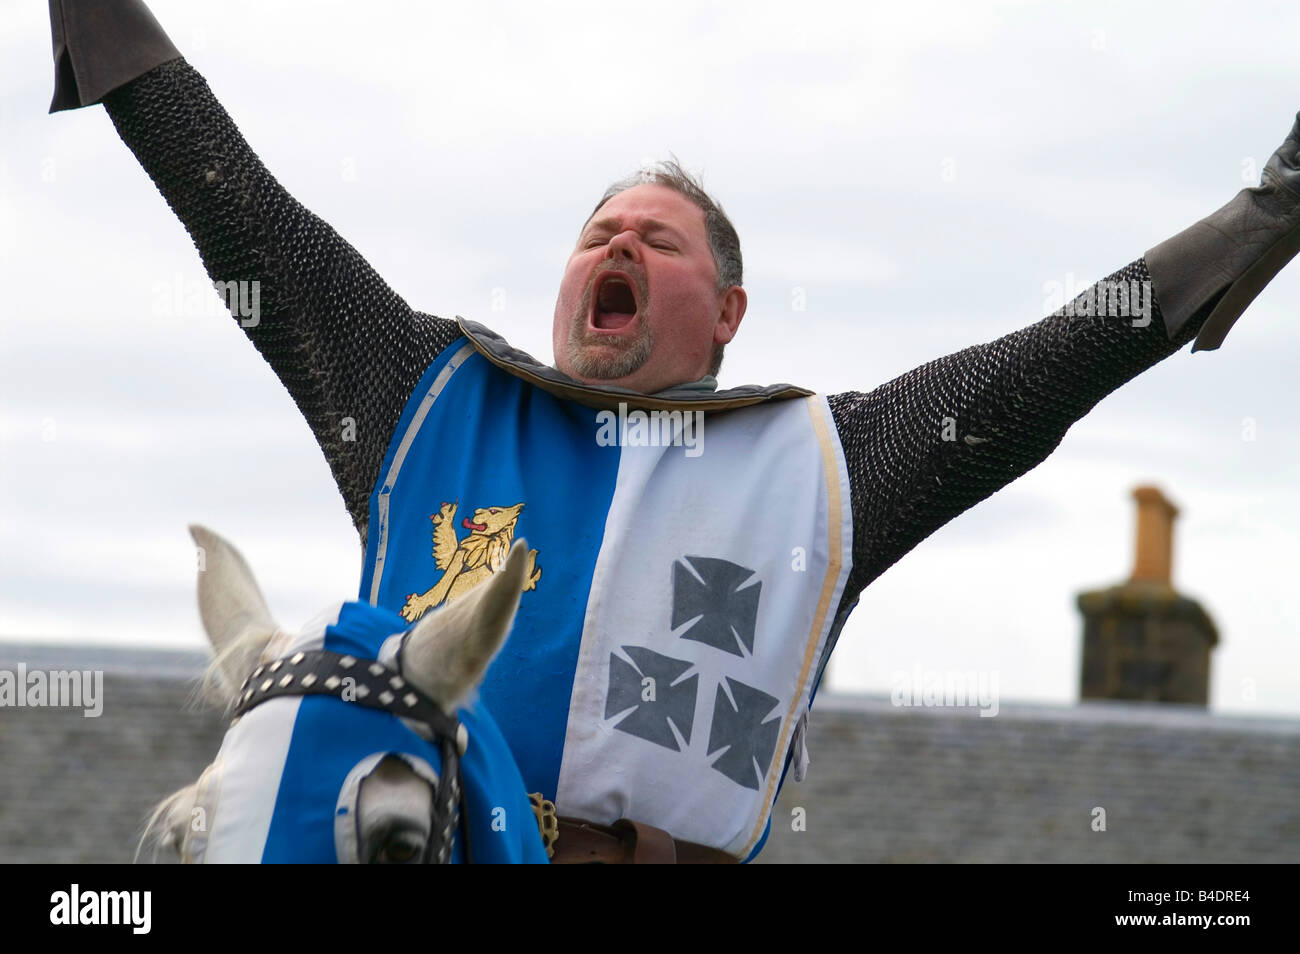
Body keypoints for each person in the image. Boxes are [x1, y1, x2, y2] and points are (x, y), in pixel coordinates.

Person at [46, 0, 1300, 862]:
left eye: (658, 238)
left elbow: (1045, 371)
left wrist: (1262, 215)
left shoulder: (819, 471)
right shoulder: (429, 397)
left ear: (729, 310)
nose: (616, 244)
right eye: (599, 230)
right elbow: (254, 224)